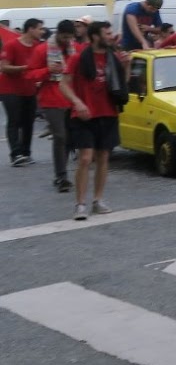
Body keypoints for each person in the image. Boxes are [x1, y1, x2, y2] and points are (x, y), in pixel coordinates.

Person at [56, 22, 125, 219]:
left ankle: (98, 200)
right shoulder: (79, 58)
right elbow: (63, 85)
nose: (111, 36)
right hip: (84, 115)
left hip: (108, 113)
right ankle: (80, 204)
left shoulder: (114, 58)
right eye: (107, 33)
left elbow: (121, 87)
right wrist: (77, 102)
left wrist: (126, 67)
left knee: (103, 158)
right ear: (95, 36)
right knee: (86, 158)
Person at [32, 22, 77, 192]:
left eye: (70, 38)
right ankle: (61, 177)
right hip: (51, 99)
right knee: (60, 137)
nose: (67, 40)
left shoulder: (74, 49)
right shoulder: (42, 50)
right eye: (64, 37)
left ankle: (61, 173)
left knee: (68, 139)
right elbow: (30, 74)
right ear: (58, 33)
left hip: (70, 98)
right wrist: (47, 70)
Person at [1, 18, 45, 167]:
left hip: (29, 89)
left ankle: (26, 153)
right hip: (10, 89)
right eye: (40, 28)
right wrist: (25, 67)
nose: (42, 31)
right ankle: (16, 154)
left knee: (28, 122)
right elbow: (4, 67)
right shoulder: (11, 45)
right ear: (30, 29)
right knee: (14, 120)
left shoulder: (38, 46)